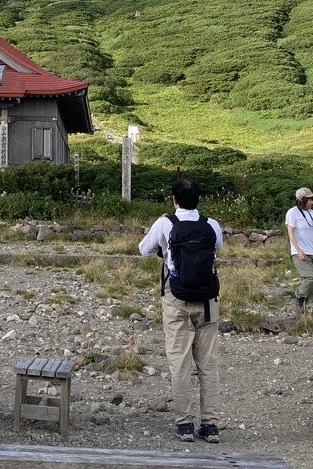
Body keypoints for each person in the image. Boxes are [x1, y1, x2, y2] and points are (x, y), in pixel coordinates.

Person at [138, 178, 224, 443]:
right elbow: (217, 248)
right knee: (207, 363)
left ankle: (184, 423)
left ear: (174, 200)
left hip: (176, 298)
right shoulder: (212, 225)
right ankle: (210, 424)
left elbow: (143, 250)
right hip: (208, 301)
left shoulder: (166, 223)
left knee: (180, 361)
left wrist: (166, 252)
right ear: (199, 199)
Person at [285, 186, 313, 312]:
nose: (312, 201)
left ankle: (311, 309)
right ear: (302, 199)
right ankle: (300, 295)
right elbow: (290, 233)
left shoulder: (312, 213)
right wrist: (298, 250)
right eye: (310, 199)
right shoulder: (292, 212)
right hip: (300, 251)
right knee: (311, 276)